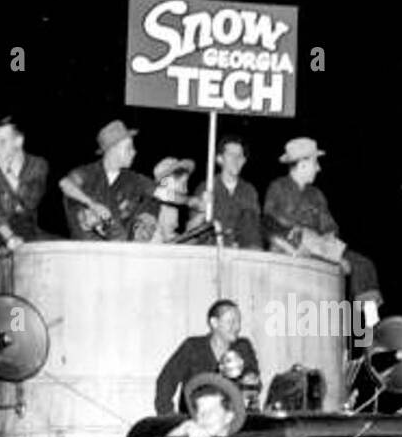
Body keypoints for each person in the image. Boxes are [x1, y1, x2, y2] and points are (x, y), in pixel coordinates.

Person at [263, 137, 382, 325]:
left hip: (320, 246)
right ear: (302, 164)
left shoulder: (316, 195)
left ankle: (371, 332)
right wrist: (295, 244)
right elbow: (269, 223)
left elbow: (330, 228)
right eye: (315, 163)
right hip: (292, 245)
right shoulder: (278, 187)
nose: (318, 168)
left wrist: (330, 241)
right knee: (312, 242)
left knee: (364, 265)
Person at [154, 299, 261, 415]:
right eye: (231, 322)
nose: (237, 327)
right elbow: (166, 380)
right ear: (214, 323)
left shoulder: (243, 346)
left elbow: (253, 379)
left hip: (232, 420)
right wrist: (167, 415)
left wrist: (251, 378)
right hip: (197, 419)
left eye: (239, 322)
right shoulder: (192, 347)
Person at [60, 119, 158, 242]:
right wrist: (92, 204)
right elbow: (65, 184)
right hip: (85, 252)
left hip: (119, 250)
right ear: (113, 149)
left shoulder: (134, 179)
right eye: (129, 148)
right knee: (78, 204)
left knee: (150, 203)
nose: (134, 152)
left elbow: (161, 192)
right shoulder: (88, 173)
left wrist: (186, 199)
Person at [0, 116, 50, 251]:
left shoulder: (38, 165)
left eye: (2, 141)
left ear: (18, 141)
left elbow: (30, 202)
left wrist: (7, 173)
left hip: (30, 230)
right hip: (0, 233)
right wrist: (10, 237)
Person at [189, 135, 263, 249]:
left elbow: (253, 231)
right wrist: (202, 212)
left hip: (240, 252)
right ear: (219, 159)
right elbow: (190, 230)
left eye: (240, 156)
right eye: (231, 155)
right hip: (212, 251)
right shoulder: (206, 187)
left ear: (244, 161)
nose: (236, 159)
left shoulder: (249, 191)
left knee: (249, 217)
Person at [150, 157, 197, 243]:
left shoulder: (169, 208)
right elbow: (171, 242)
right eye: (183, 184)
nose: (185, 190)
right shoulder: (161, 208)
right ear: (166, 182)